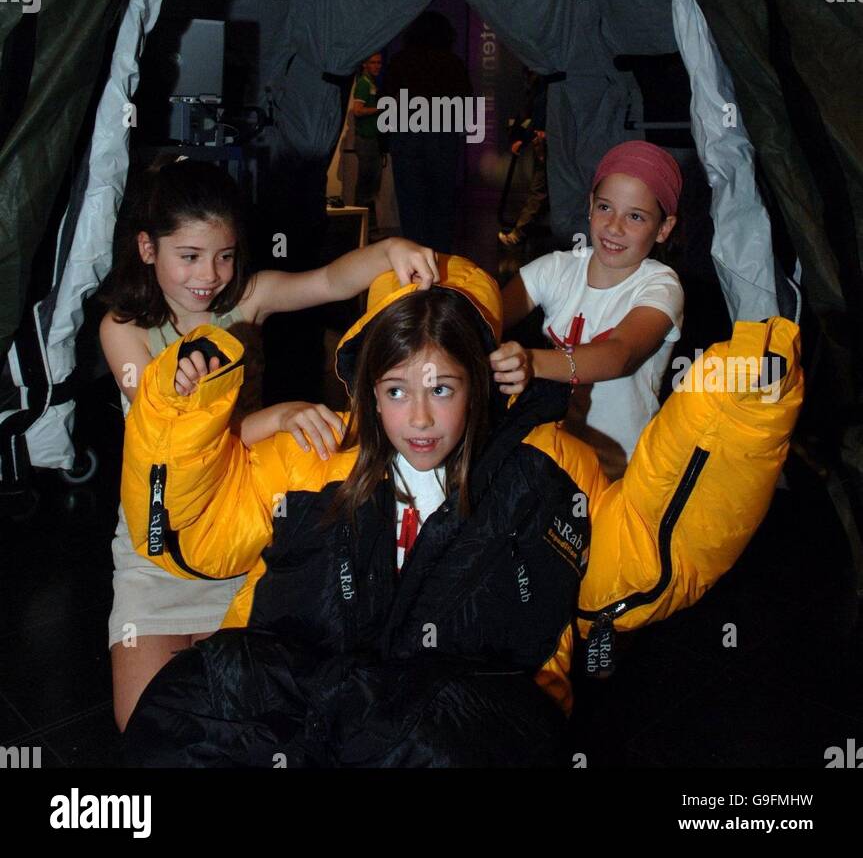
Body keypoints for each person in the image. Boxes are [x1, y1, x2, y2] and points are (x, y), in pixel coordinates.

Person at [119, 254, 802, 768]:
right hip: (301, 692)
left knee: (436, 741)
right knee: (187, 705)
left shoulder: (545, 466)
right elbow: (184, 536)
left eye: (441, 387)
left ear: (480, 378)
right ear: (367, 386)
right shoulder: (317, 452)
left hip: (462, 713)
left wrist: (730, 418)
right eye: (394, 390)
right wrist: (182, 413)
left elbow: (638, 572)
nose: (417, 418)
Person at [98, 157, 438, 730]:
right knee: (149, 727)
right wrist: (278, 417)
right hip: (156, 540)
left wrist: (389, 252)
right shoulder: (123, 329)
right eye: (190, 256)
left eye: (225, 255)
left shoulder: (245, 299)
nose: (211, 276)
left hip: (244, 523)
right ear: (147, 249)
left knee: (251, 720)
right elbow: (165, 449)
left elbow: (329, 280)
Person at [490, 141, 684, 481]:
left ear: (664, 228)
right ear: (590, 205)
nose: (615, 227)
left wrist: (530, 363)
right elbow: (486, 316)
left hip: (619, 472)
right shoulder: (557, 268)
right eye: (606, 207)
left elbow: (618, 356)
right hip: (554, 460)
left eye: (635, 216)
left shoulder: (661, 287)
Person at [383, 10, 473, 253]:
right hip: (443, 139)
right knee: (441, 206)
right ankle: (440, 262)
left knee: (411, 207)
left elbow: (389, 102)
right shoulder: (453, 63)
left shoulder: (400, 61)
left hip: (408, 138)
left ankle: (414, 265)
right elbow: (465, 102)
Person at [498, 69, 549, 249]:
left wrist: (525, 137)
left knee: (539, 189)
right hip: (545, 141)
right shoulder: (544, 85)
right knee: (541, 188)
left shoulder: (543, 86)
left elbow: (535, 116)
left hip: (546, 142)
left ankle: (519, 234)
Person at [350, 52, 384, 220]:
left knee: (371, 184)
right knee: (366, 184)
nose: (377, 66)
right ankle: (360, 224)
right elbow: (357, 110)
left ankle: (366, 225)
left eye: (379, 63)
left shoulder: (371, 82)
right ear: (365, 64)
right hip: (366, 139)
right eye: (373, 62)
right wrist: (380, 109)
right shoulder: (364, 84)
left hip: (372, 138)